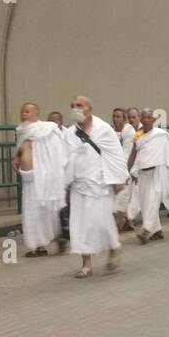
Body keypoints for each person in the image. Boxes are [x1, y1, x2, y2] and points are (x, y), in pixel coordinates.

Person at [62, 96, 129, 278]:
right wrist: (64, 183)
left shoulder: (104, 129)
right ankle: (86, 265)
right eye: (72, 105)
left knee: (101, 223)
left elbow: (115, 155)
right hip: (79, 187)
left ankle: (114, 247)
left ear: (89, 109)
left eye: (79, 105)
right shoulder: (69, 133)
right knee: (80, 226)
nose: (75, 108)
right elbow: (64, 160)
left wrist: (118, 179)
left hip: (101, 185)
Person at [12, 102, 66, 257]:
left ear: (36, 113)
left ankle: (46, 242)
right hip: (29, 179)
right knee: (30, 212)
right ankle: (36, 245)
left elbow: (57, 152)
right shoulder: (22, 130)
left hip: (44, 178)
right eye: (22, 111)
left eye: (27, 111)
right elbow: (22, 148)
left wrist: (54, 173)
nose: (24, 114)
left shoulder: (47, 129)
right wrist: (16, 157)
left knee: (43, 212)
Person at [125, 108, 169, 243]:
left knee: (152, 201)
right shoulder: (138, 135)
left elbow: (168, 154)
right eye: (143, 117)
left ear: (153, 120)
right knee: (145, 204)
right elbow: (134, 153)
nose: (145, 120)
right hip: (142, 174)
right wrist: (128, 169)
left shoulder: (161, 135)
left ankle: (146, 230)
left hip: (157, 173)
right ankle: (158, 230)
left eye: (148, 117)